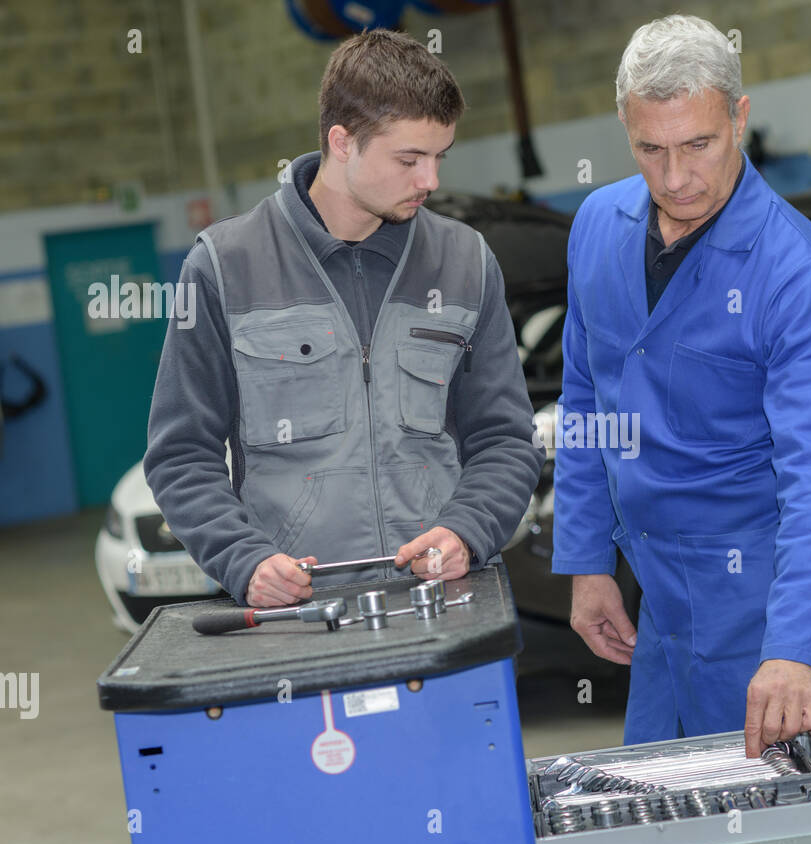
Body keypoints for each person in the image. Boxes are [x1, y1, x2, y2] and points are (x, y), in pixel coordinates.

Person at [551, 14, 811, 844]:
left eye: (697, 144)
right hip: (663, 605)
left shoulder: (793, 269)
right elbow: (585, 399)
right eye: (649, 149)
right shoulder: (596, 226)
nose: (676, 175)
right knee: (658, 841)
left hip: (768, 599)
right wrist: (589, 561)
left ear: (739, 117)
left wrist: (793, 650)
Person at [145, 29, 542, 608]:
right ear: (342, 142)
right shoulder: (225, 268)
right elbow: (181, 455)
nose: (429, 181)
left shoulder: (466, 262)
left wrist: (467, 532)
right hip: (299, 618)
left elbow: (505, 439)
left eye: (438, 158)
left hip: (445, 607)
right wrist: (245, 560)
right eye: (409, 159)